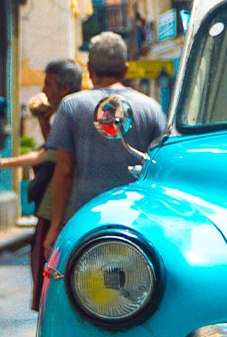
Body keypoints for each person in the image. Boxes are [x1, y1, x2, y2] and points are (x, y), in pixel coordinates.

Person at [43, 33, 166, 251]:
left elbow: (64, 170)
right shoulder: (152, 108)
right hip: (136, 219)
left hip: (87, 220)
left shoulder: (71, 106)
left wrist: (54, 227)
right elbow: (159, 168)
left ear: (89, 69)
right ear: (125, 70)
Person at [1, 58, 82, 309]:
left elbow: (56, 157)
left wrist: (3, 164)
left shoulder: (68, 111)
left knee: (47, 276)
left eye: (49, 84)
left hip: (55, 209)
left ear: (65, 87)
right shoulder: (76, 111)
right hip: (76, 208)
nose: (44, 90)